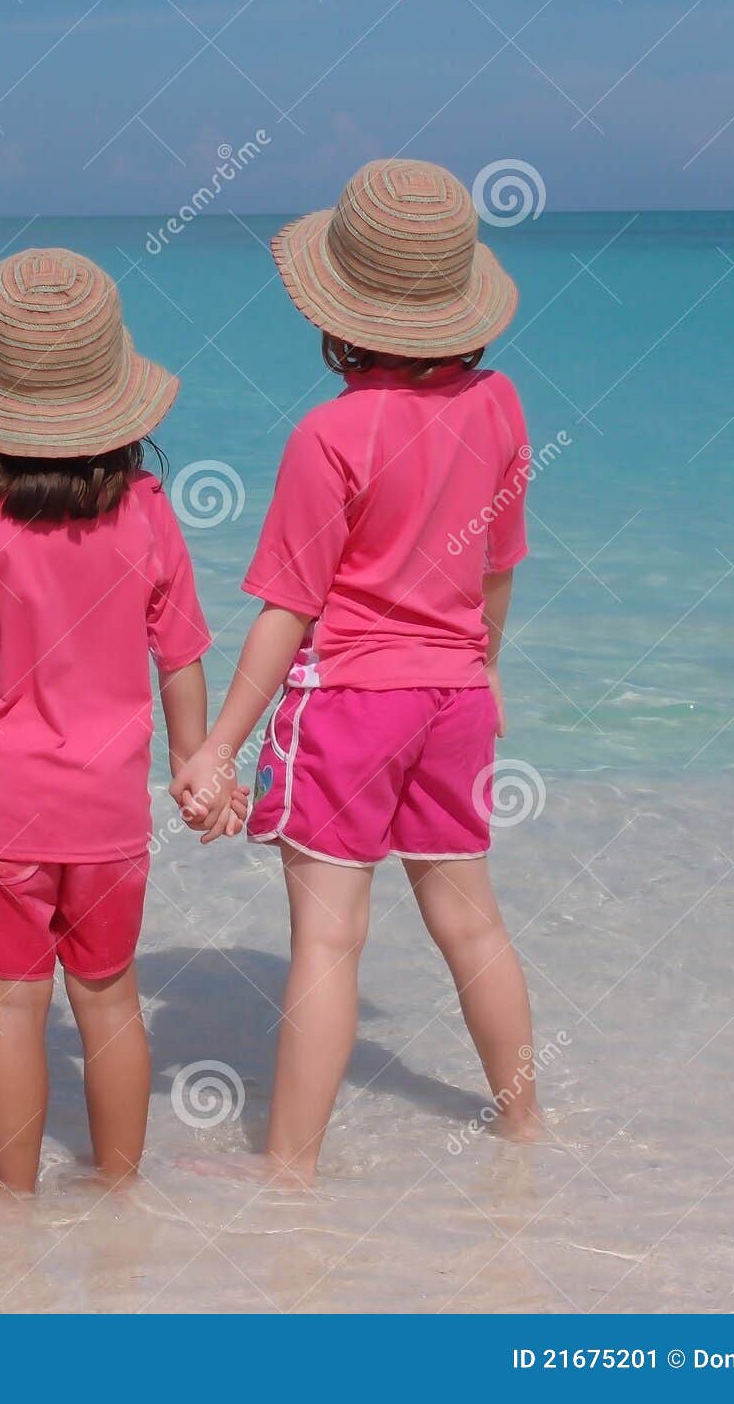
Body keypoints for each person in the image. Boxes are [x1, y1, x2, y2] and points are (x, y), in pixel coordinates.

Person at [172, 159, 546, 1181]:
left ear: (338, 310)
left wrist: (214, 744)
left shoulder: (329, 434)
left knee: (329, 940)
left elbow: (288, 609)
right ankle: (524, 1132)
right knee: (471, 921)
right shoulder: (502, 405)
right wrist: (484, 667)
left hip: (348, 705)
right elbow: (497, 566)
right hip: (455, 696)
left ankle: (289, 1167)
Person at [0, 248, 242, 1193]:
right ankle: (119, 1192)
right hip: (110, 816)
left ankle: (13, 1207)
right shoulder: (150, 511)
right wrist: (195, 760)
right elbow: (181, 654)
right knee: (110, 998)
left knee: (11, 1007)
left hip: (2, 812)